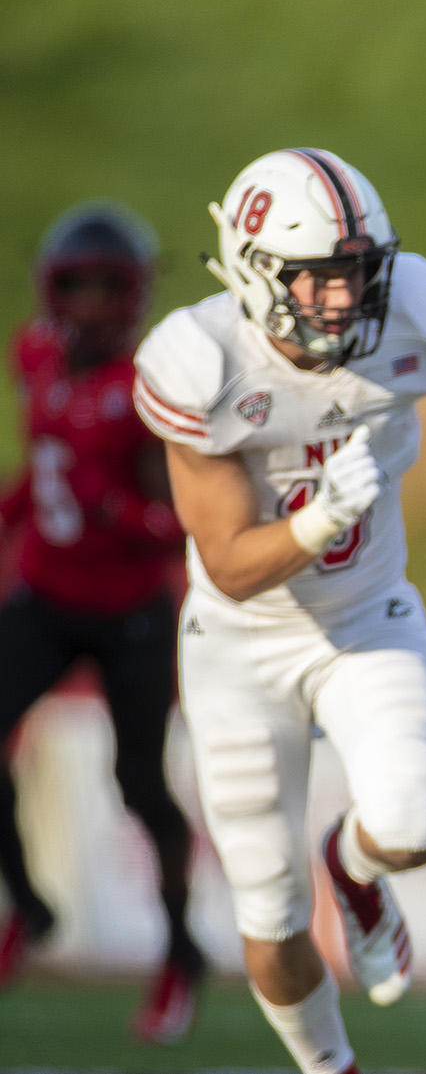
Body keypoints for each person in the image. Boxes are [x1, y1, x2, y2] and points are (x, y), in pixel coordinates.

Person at [133, 148, 426, 1074]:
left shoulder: (415, 309)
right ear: (253, 269)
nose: (343, 301)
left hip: (367, 617)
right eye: (315, 279)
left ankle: (350, 867)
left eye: (354, 274)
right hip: (239, 648)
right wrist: (320, 516)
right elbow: (229, 568)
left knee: (413, 824)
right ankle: (328, 1066)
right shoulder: (201, 361)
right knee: (267, 914)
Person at [0, 201, 204, 1042]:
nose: (86, 304)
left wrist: (118, 508)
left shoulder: (145, 393)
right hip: (47, 593)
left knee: (142, 784)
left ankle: (181, 953)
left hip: (129, 611)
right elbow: (46, 467)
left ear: (129, 297)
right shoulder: (37, 356)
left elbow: (184, 520)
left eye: (102, 288)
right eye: (74, 287)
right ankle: (31, 906)